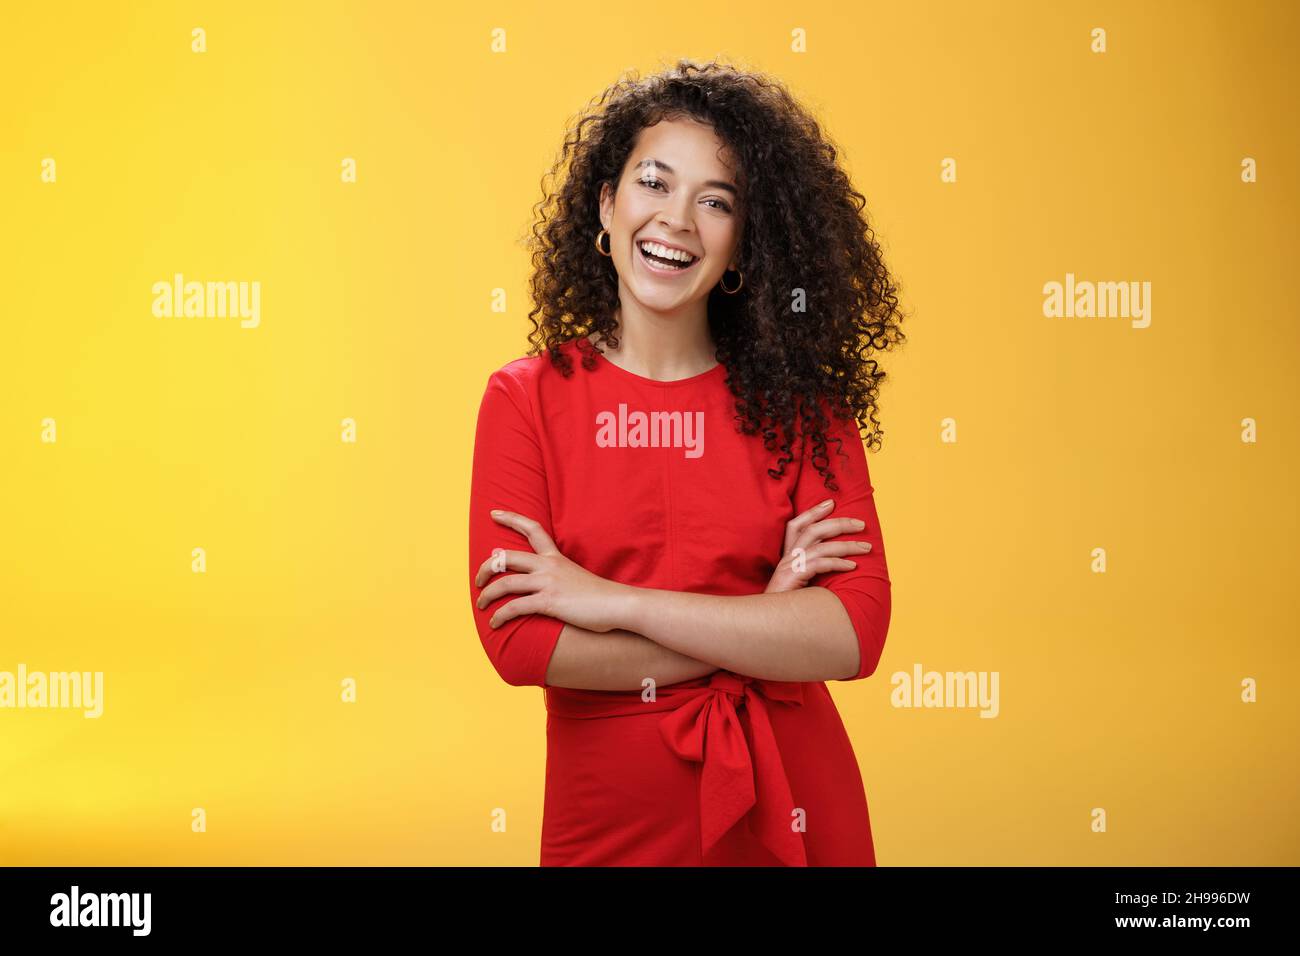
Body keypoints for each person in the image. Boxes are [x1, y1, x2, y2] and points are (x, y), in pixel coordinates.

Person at [468, 58, 908, 866]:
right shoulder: (523, 399)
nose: (677, 219)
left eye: (715, 202)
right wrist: (762, 617)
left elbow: (854, 634)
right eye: (654, 183)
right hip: (605, 825)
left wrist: (607, 601)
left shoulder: (804, 405)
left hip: (795, 807)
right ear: (606, 205)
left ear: (743, 244)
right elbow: (522, 647)